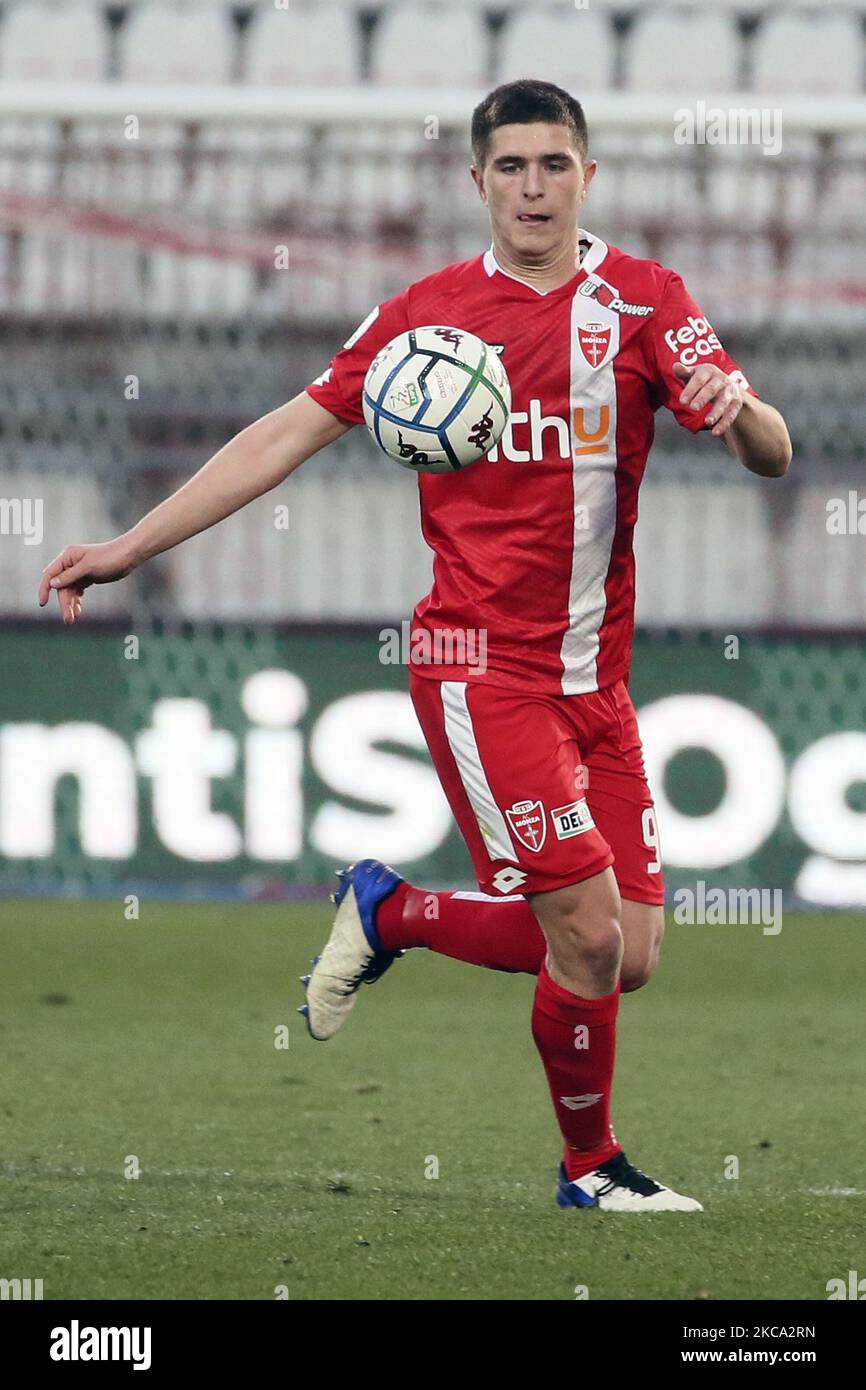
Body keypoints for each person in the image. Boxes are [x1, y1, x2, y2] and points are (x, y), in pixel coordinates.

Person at [39, 80, 792, 1213]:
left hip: (597, 679)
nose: (532, 187)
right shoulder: (425, 319)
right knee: (583, 938)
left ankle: (390, 910)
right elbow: (287, 430)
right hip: (479, 666)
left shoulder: (644, 303)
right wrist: (133, 544)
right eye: (509, 167)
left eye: (553, 165)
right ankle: (591, 1170)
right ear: (475, 180)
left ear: (588, 175)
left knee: (625, 956)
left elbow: (773, 454)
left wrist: (733, 409)